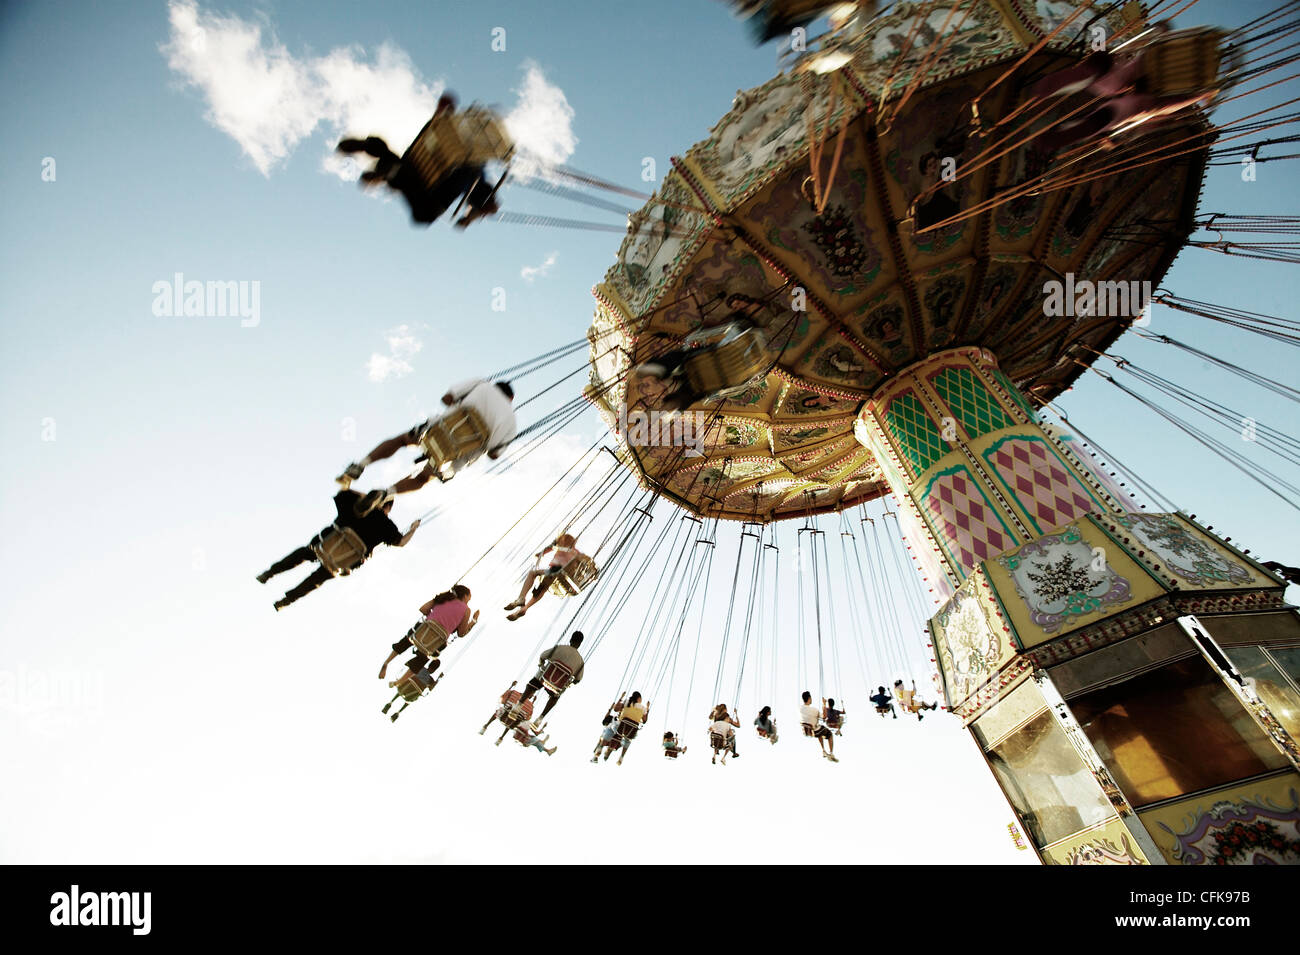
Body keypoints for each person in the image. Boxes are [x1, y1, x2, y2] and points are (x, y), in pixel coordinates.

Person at [337, 379, 517, 506]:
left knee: (401, 441)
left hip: (436, 432)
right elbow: (494, 454)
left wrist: (461, 406)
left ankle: (361, 465)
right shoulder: (512, 423)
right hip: (454, 457)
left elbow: (447, 398)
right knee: (424, 478)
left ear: (496, 385)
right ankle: (386, 493)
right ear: (510, 400)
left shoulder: (482, 385)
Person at [336, 93, 501, 228]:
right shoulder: (476, 175)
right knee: (423, 214)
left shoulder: (469, 161)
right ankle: (389, 172)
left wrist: (440, 116)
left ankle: (374, 152)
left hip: (416, 168)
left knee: (401, 163)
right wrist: (469, 219)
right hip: (430, 187)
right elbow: (480, 205)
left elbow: (430, 135)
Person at [257, 489, 420, 610]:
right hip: (341, 562)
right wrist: (413, 528)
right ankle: (286, 601)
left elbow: (342, 491)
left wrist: (365, 496)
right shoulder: (387, 527)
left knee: (304, 553)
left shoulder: (354, 505)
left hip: (322, 545)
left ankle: (269, 573)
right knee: (317, 579)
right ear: (388, 508)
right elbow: (401, 542)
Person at [377, 584, 480, 681]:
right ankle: (400, 681)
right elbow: (461, 633)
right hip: (434, 643)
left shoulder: (444, 598)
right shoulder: (467, 610)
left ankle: (387, 662)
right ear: (464, 595)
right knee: (423, 658)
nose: (468, 600)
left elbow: (423, 609)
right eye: (469, 598)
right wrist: (473, 621)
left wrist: (434, 614)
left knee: (408, 639)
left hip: (421, 632)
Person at [505, 533, 582, 621]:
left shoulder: (565, 548)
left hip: (556, 570)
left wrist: (544, 551)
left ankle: (521, 598)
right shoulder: (576, 552)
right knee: (542, 589)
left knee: (532, 573)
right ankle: (524, 608)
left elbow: (548, 549)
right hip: (560, 574)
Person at [518, 631, 585, 723]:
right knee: (555, 697)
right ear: (580, 644)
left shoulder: (560, 648)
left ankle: (519, 704)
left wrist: (541, 664)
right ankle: (541, 717)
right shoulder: (580, 661)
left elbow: (542, 656)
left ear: (570, 639)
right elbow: (578, 679)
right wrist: (571, 682)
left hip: (544, 678)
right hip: (557, 686)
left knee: (533, 683)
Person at [799, 690, 837, 761]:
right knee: (829, 734)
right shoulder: (814, 710)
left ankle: (823, 750)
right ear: (809, 698)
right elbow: (824, 716)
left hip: (806, 731)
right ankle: (831, 753)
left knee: (820, 729)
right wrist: (824, 704)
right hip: (814, 730)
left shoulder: (800, 708)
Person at [613, 691, 649, 765]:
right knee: (628, 740)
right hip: (631, 731)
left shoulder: (627, 702)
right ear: (639, 698)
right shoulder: (643, 708)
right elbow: (644, 721)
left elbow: (615, 709)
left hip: (621, 728)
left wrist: (621, 698)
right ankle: (622, 756)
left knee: (612, 725)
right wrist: (647, 708)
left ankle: (610, 742)